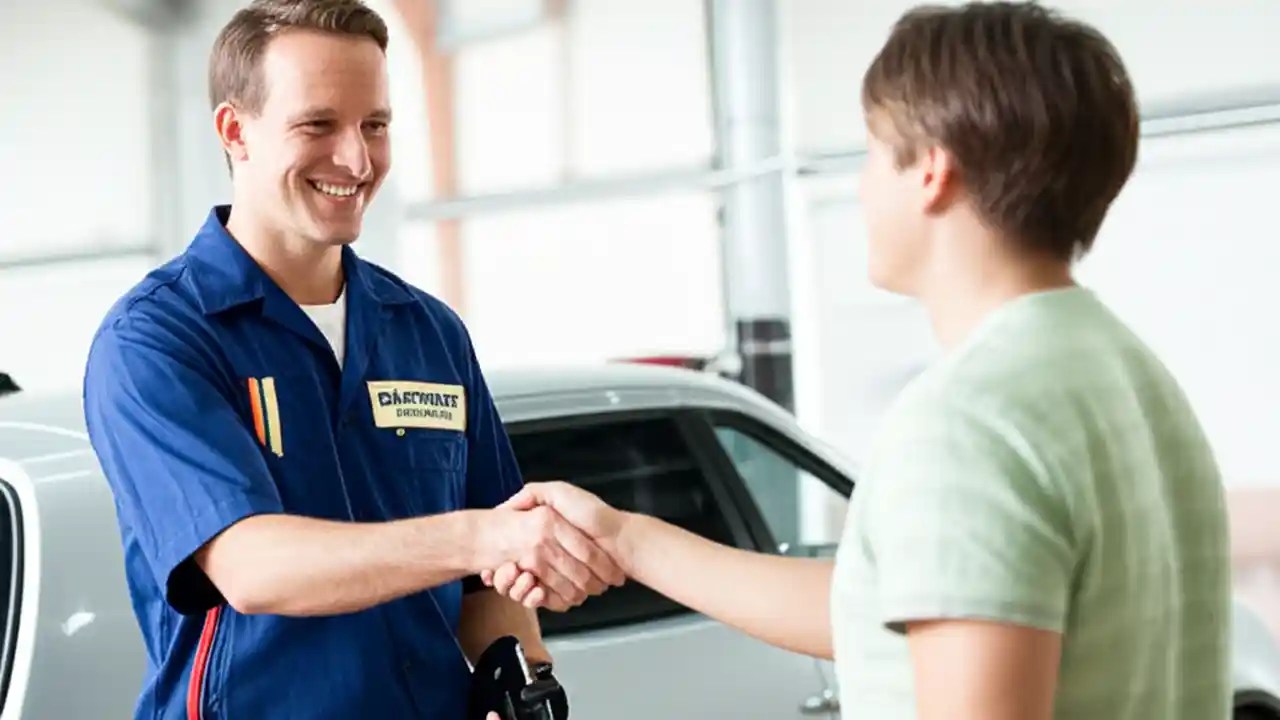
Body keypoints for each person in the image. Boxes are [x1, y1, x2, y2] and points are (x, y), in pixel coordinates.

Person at [485, 3, 1233, 719]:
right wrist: (626, 539)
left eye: (874, 151)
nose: (864, 185)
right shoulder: (1135, 380)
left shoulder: (969, 420)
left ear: (933, 172)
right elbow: (882, 611)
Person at [82, 1, 621, 718]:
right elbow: (251, 566)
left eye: (375, 125)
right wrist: (478, 536)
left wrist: (515, 677)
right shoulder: (157, 341)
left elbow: (490, 575)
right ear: (234, 131)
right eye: (318, 124)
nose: (358, 160)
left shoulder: (428, 333)